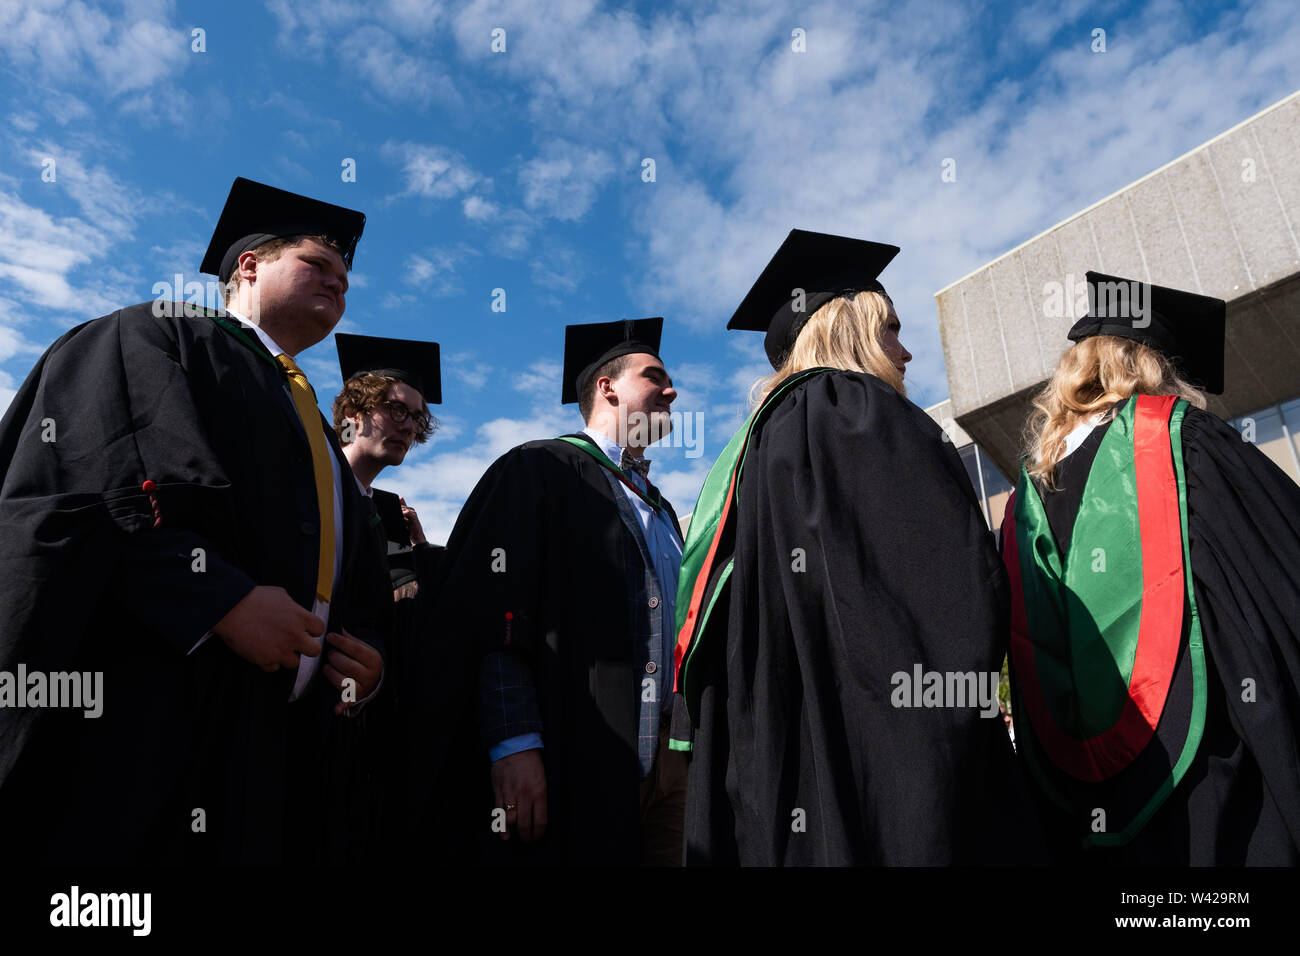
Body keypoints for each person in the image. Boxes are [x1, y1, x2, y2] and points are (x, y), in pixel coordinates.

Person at [0, 177, 391, 864]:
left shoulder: (320, 433)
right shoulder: (157, 333)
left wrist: (367, 660)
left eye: (345, 279)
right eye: (317, 266)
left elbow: (347, 572)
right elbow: (81, 489)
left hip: (282, 747)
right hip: (159, 718)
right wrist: (216, 597)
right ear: (248, 266)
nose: (339, 286)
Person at [674, 229, 1038, 865]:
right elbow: (952, 600)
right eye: (891, 328)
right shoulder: (864, 413)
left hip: (785, 772)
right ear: (851, 329)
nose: (906, 351)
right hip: (888, 771)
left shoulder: (748, 456)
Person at [1001, 271, 1300, 864]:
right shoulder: (1185, 445)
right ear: (1152, 365)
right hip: (1212, 782)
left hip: (1078, 807)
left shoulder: (1023, 505)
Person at [426, 317, 687, 865]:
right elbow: (496, 619)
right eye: (654, 376)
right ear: (607, 387)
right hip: (578, 754)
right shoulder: (539, 469)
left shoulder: (663, 512)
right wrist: (513, 742)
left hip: (669, 766)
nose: (672, 390)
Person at [332, 333, 444, 600]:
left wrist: (420, 548)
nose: (408, 427)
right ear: (353, 412)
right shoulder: (308, 480)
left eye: (416, 417)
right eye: (396, 409)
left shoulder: (379, 515)